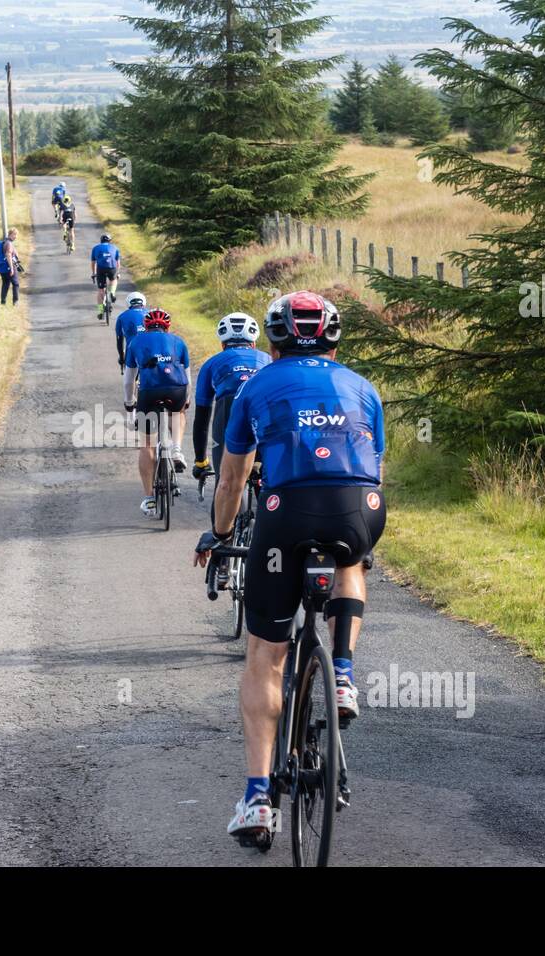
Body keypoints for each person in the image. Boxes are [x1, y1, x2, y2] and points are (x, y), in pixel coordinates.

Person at [191, 291, 385, 843]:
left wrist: (222, 534)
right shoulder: (363, 388)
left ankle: (257, 799)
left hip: (284, 513)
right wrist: (360, 539)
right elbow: (373, 473)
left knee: (265, 655)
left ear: (272, 342)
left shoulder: (257, 386)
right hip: (359, 508)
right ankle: (342, 671)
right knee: (352, 558)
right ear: (333, 339)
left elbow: (231, 481)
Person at [191, 312, 271, 490]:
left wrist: (201, 462)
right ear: (254, 342)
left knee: (224, 483)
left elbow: (202, 419)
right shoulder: (267, 359)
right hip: (263, 411)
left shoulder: (212, 363)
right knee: (270, 481)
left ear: (222, 344)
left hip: (228, 407)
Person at [123, 308, 190, 515]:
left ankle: (149, 497)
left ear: (147, 326)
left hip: (149, 392)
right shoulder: (178, 341)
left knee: (147, 446)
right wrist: (186, 401)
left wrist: (129, 403)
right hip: (176, 390)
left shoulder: (135, 342)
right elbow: (187, 377)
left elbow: (128, 380)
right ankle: (177, 449)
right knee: (177, 413)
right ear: (167, 327)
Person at [90, 233, 121, 320]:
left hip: (101, 269)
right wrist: (117, 272)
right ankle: (112, 293)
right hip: (112, 268)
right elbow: (118, 262)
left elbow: (93, 262)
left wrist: (93, 273)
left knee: (100, 291)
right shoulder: (115, 248)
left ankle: (100, 311)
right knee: (114, 280)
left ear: (101, 241)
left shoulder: (96, 248)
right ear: (110, 241)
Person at [114, 292, 149, 370]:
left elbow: (119, 339)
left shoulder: (122, 316)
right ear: (143, 302)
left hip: (131, 352)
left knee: (129, 381)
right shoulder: (150, 313)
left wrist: (122, 357)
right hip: (151, 350)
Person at [0, 228, 21, 305]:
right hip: (8, 267)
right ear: (10, 234)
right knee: (16, 283)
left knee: (5, 284)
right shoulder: (9, 243)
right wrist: (11, 269)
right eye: (15, 234)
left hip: (2, 268)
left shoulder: (4, 242)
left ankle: (3, 302)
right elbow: (8, 255)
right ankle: (15, 301)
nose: (16, 236)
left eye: (16, 235)